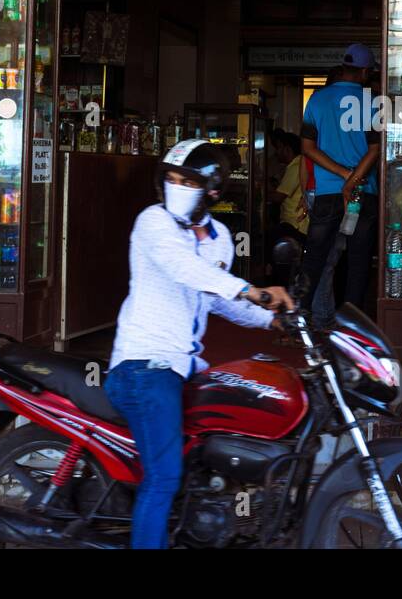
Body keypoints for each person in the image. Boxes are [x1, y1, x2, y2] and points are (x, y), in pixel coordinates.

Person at [105, 139, 293, 549]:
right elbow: (184, 269)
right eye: (170, 178)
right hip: (145, 366)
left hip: (185, 365)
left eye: (186, 180)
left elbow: (217, 299)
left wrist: (273, 320)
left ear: (212, 189)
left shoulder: (219, 237)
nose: (175, 185)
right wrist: (254, 290)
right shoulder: (152, 222)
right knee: (164, 477)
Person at [299, 44, 380, 322]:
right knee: (358, 264)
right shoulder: (371, 102)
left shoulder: (317, 100)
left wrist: (343, 176)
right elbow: (375, 149)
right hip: (362, 193)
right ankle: (351, 327)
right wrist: (353, 178)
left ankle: (299, 320)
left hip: (326, 193)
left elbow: (308, 148)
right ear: (366, 71)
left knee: (314, 260)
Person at [267, 130, 308, 285]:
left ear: (287, 149)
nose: (276, 152)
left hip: (294, 225)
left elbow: (279, 196)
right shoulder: (294, 165)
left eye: (278, 148)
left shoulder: (296, 165)